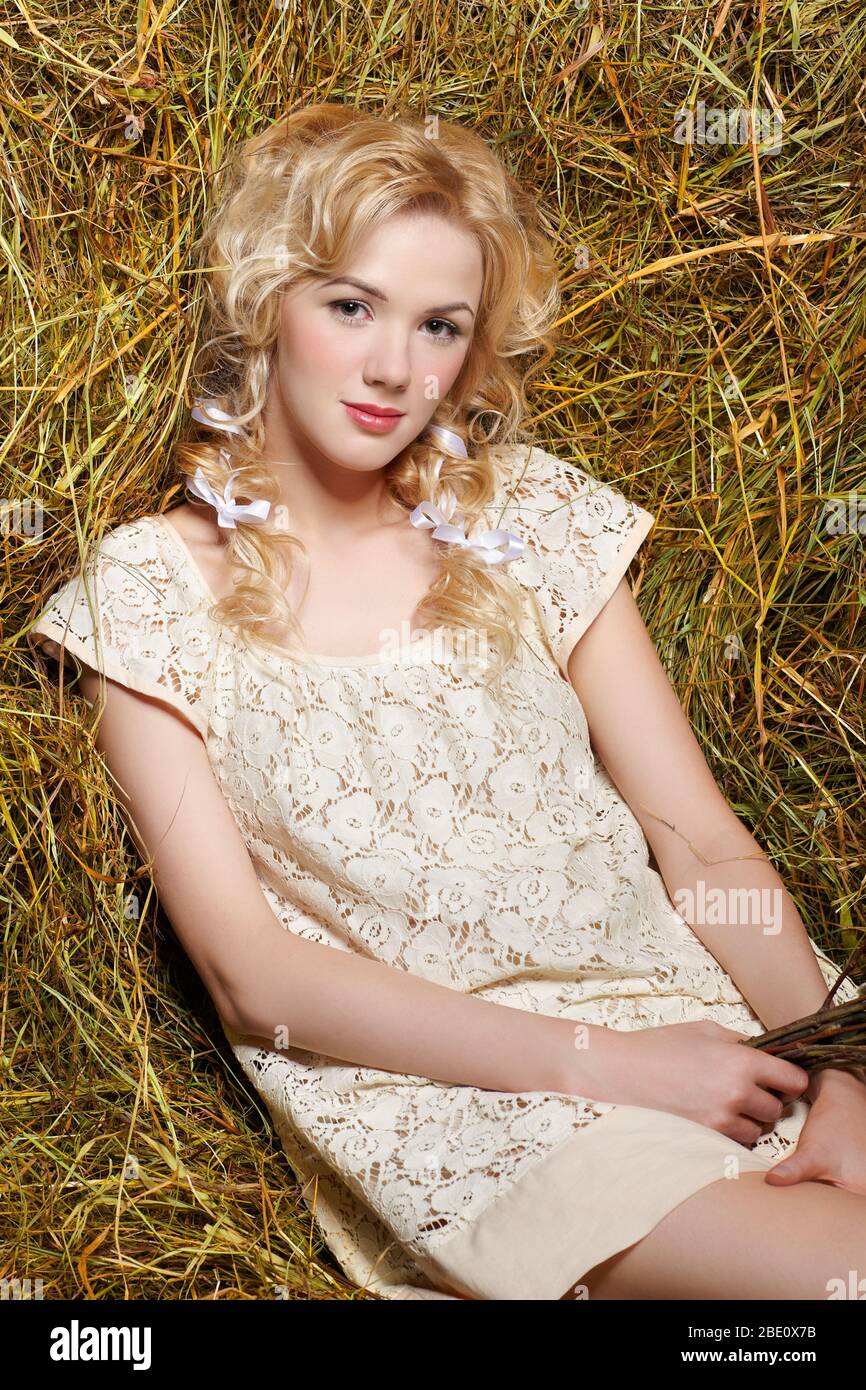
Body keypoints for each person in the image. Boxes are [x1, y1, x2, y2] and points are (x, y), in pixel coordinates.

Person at [28, 103, 866, 1302]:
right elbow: (254, 978)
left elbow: (700, 846)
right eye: (350, 306)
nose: (391, 369)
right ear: (268, 302)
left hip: (730, 1035)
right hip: (489, 1109)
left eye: (438, 327)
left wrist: (837, 1063)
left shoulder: (522, 513)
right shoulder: (148, 589)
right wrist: (609, 1067)